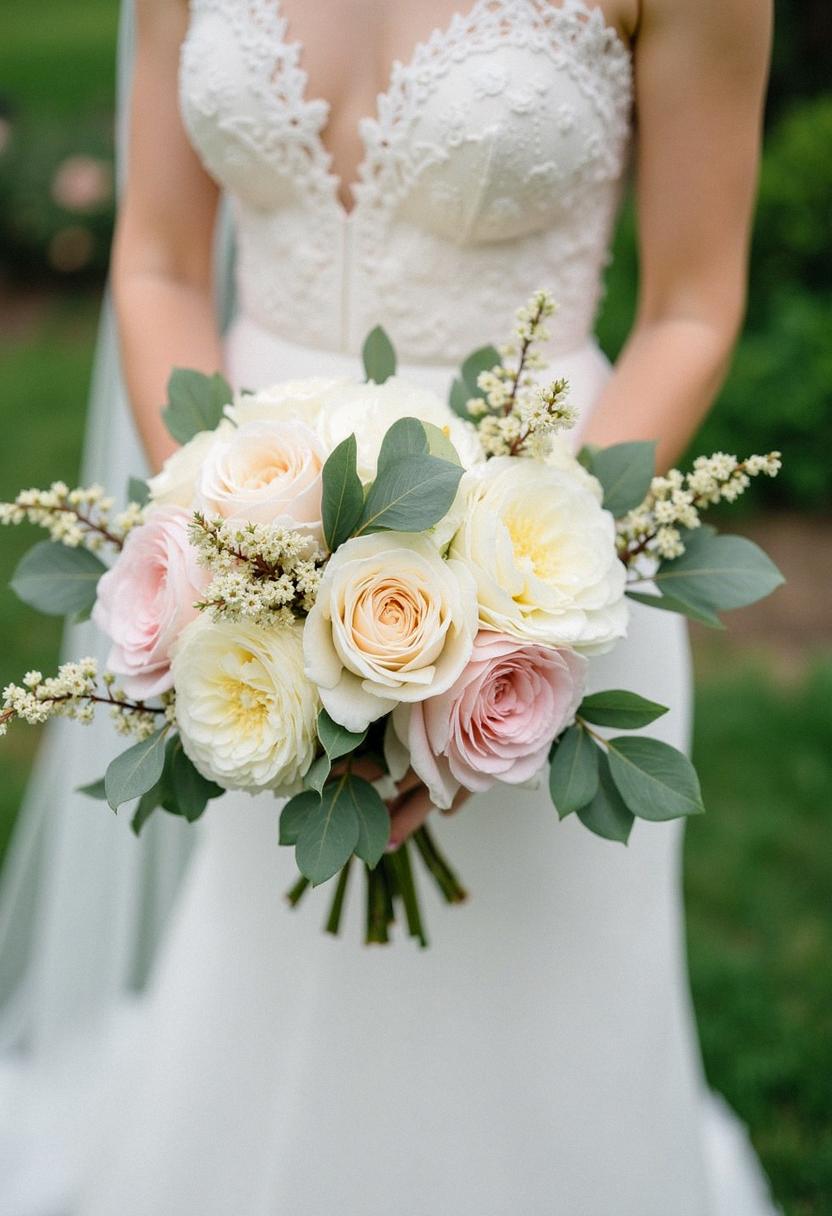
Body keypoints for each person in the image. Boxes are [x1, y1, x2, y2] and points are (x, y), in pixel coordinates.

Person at [6, 1, 780, 1212]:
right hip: (252, 531)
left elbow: (691, 303)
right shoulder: (237, 567)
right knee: (270, 987)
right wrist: (228, 561)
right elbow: (157, 259)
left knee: (540, 1025)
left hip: (543, 560)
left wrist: (492, 617)